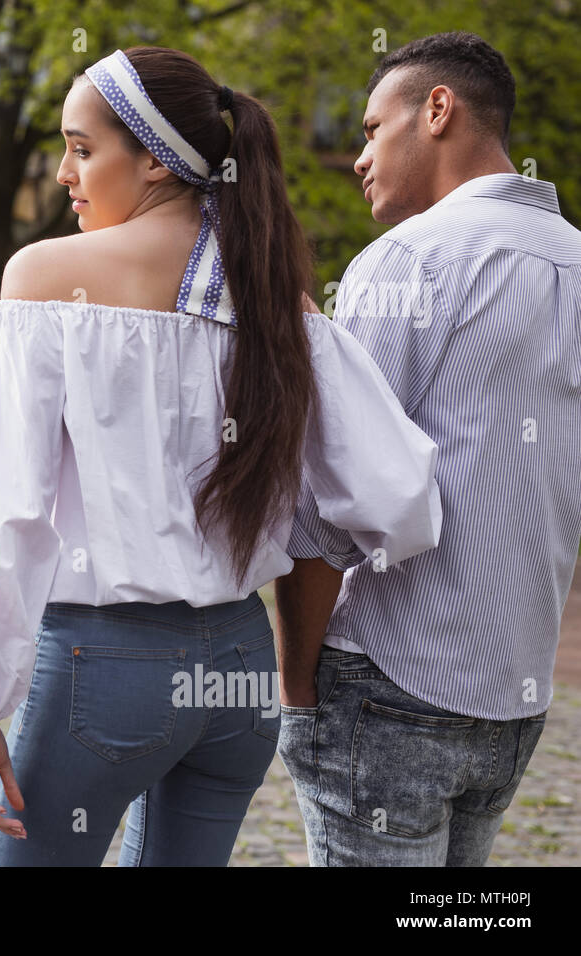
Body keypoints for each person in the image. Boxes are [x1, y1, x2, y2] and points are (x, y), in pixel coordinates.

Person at [0, 45, 443, 867]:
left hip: (103, 672)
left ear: (159, 160)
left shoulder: (44, 281)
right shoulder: (275, 295)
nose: (65, 171)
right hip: (238, 673)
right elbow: (398, 496)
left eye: (83, 148)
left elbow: (5, 512)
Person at [277, 32, 581, 866]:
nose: (359, 156)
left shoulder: (406, 260)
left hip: (386, 680)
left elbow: (326, 499)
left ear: (437, 110)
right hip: (517, 692)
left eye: (373, 128)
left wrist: (295, 689)